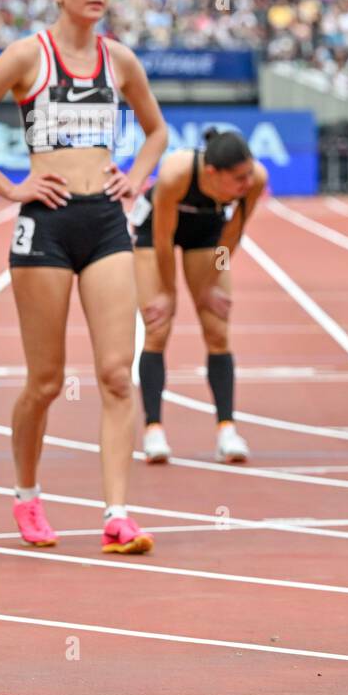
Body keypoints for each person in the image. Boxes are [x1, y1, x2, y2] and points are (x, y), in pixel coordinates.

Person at [0, 0, 168, 555]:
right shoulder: (25, 57)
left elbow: (157, 130)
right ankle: (26, 494)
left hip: (106, 223)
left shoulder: (119, 60)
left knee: (118, 375)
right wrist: (12, 186)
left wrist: (138, 176)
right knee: (45, 380)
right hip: (45, 224)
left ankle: (117, 515)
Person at [130, 128, 267, 463]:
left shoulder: (256, 179)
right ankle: (153, 430)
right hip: (156, 230)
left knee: (217, 326)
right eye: (238, 178)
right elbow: (163, 239)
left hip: (208, 232)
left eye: (249, 173)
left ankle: (226, 430)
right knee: (158, 324)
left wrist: (208, 285)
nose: (247, 182)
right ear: (212, 174)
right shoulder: (177, 172)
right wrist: (168, 292)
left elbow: (232, 235)